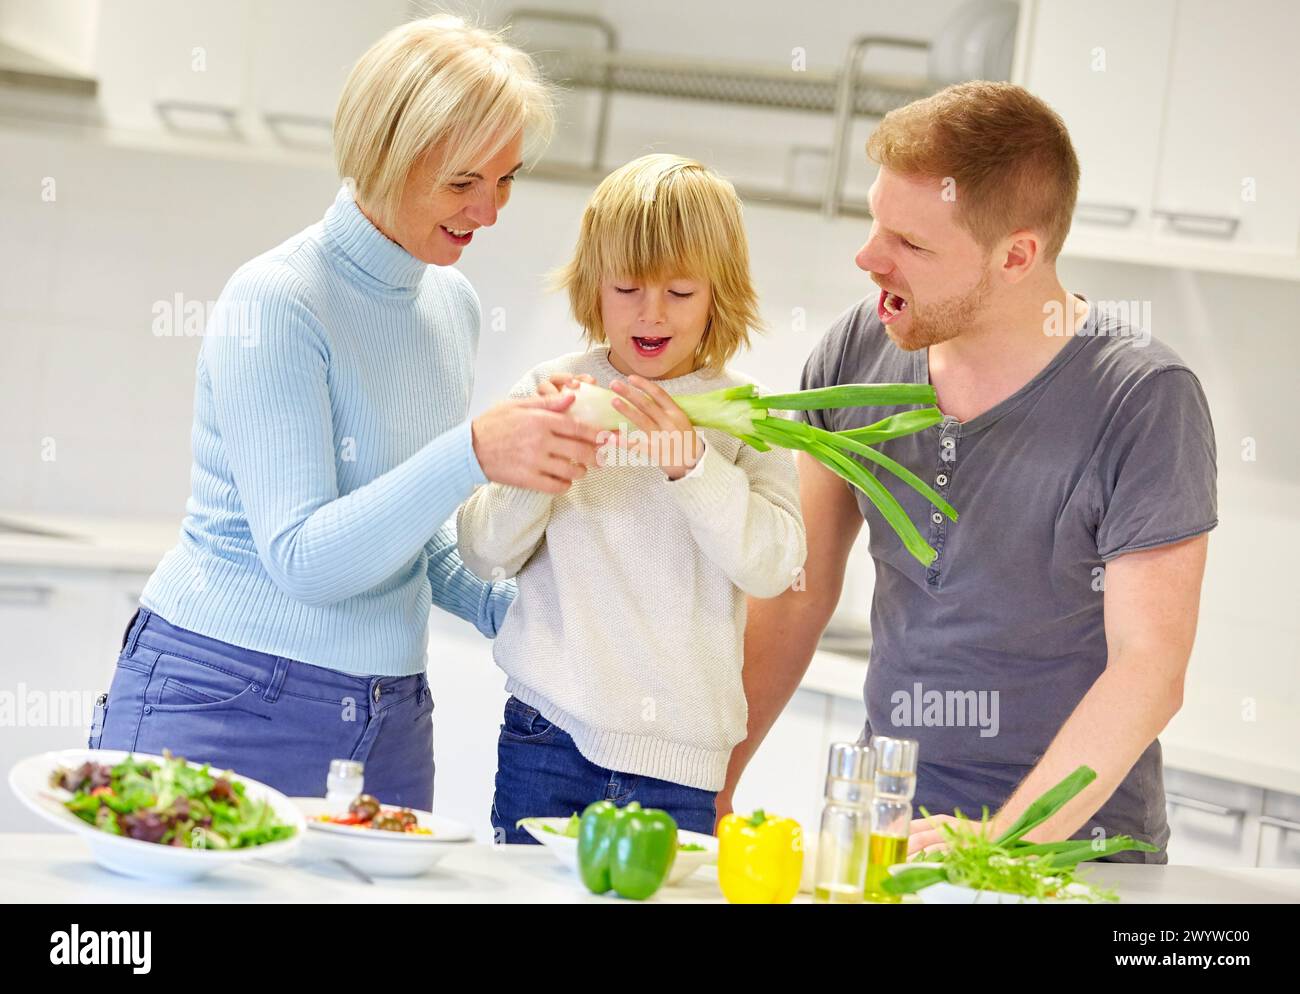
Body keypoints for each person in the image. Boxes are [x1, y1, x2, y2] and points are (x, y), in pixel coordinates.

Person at [92, 15, 603, 809]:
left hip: (386, 719)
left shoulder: (449, 306)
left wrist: (529, 618)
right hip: (227, 700)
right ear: (385, 157)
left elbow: (405, 535)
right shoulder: (279, 302)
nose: (490, 209)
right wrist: (473, 453)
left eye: (506, 178)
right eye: (463, 181)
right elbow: (305, 556)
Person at [719, 82, 1217, 862]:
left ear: (1017, 256)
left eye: (912, 244)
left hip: (1071, 860)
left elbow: (1149, 668)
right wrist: (717, 778)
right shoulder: (863, 345)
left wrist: (997, 843)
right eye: (876, 223)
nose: (868, 258)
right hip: (886, 838)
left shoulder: (1143, 399)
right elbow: (795, 589)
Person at [455, 154, 807, 841]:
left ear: (718, 294)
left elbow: (773, 565)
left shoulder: (746, 415)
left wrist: (693, 470)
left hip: (681, 768)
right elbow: (483, 552)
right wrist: (543, 467)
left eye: (679, 292)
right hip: (547, 733)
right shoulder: (550, 388)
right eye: (626, 289)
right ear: (593, 288)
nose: (651, 313)